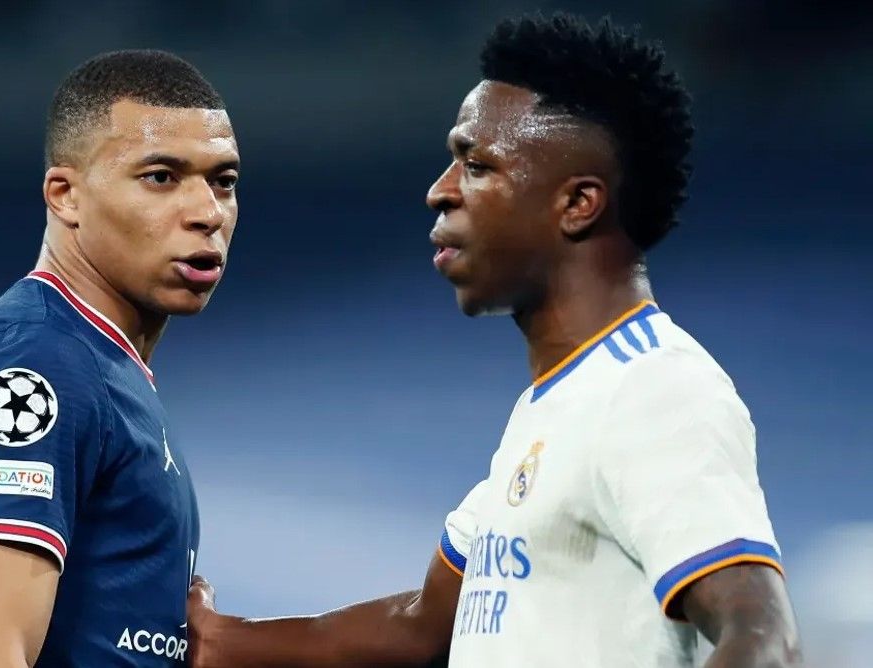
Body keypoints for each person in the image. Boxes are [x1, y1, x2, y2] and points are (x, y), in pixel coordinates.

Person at [186, 13, 801, 667]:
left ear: (578, 203)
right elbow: (421, 627)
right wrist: (221, 642)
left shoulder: (652, 389)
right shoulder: (556, 407)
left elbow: (763, 642)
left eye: (476, 165)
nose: (439, 191)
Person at [0, 49, 240, 667]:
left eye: (223, 181)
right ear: (65, 196)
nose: (207, 213)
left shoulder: (102, 365)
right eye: (161, 177)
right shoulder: (38, 366)